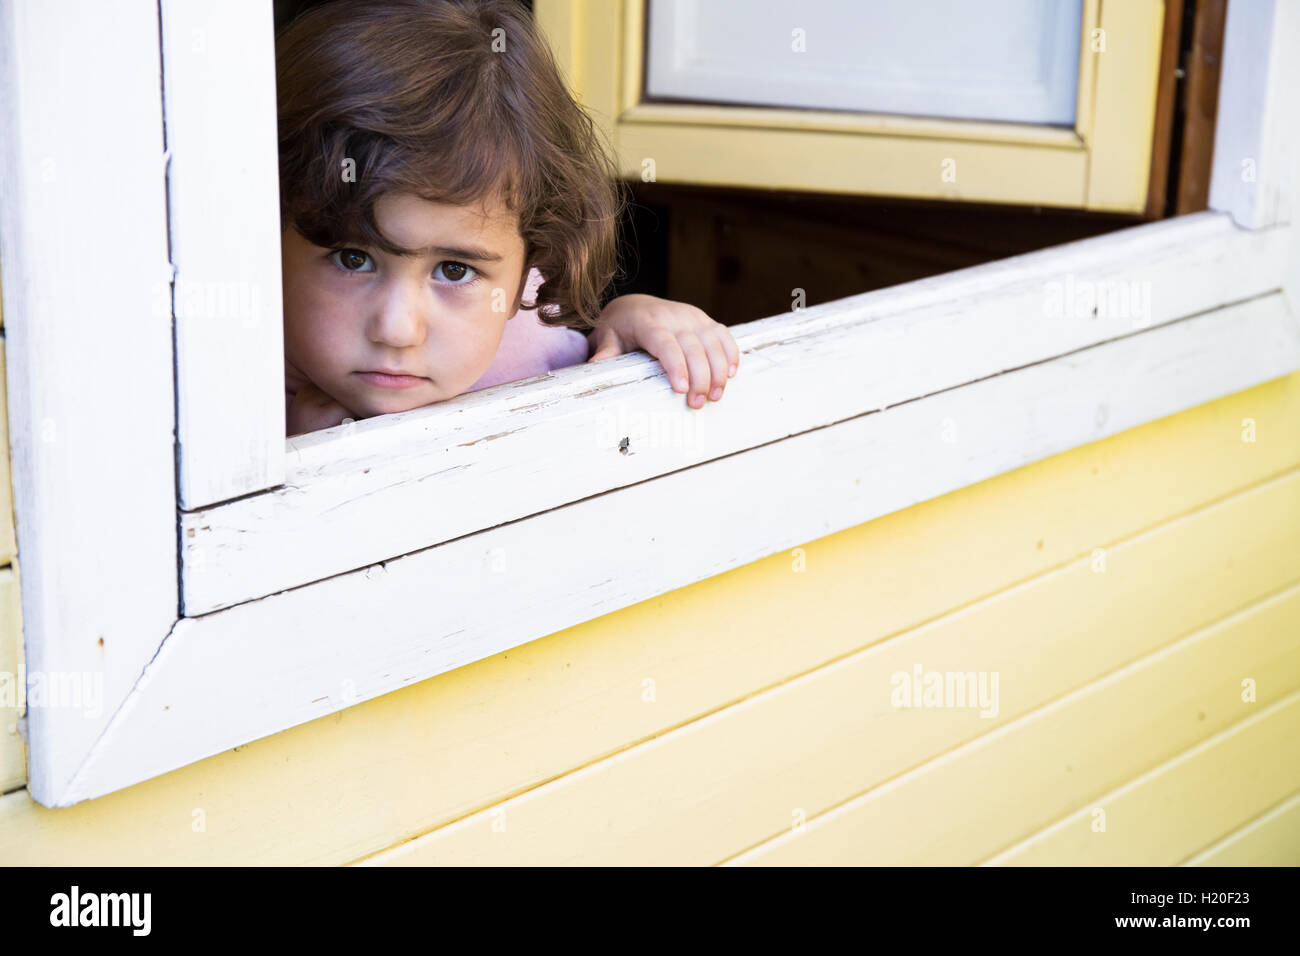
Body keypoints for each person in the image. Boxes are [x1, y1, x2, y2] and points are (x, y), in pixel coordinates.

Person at [277, 0, 739, 436]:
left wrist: (624, 325)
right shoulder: (224, 391)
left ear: (528, 271)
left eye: (454, 270)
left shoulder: (538, 342)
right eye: (353, 259)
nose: (397, 330)